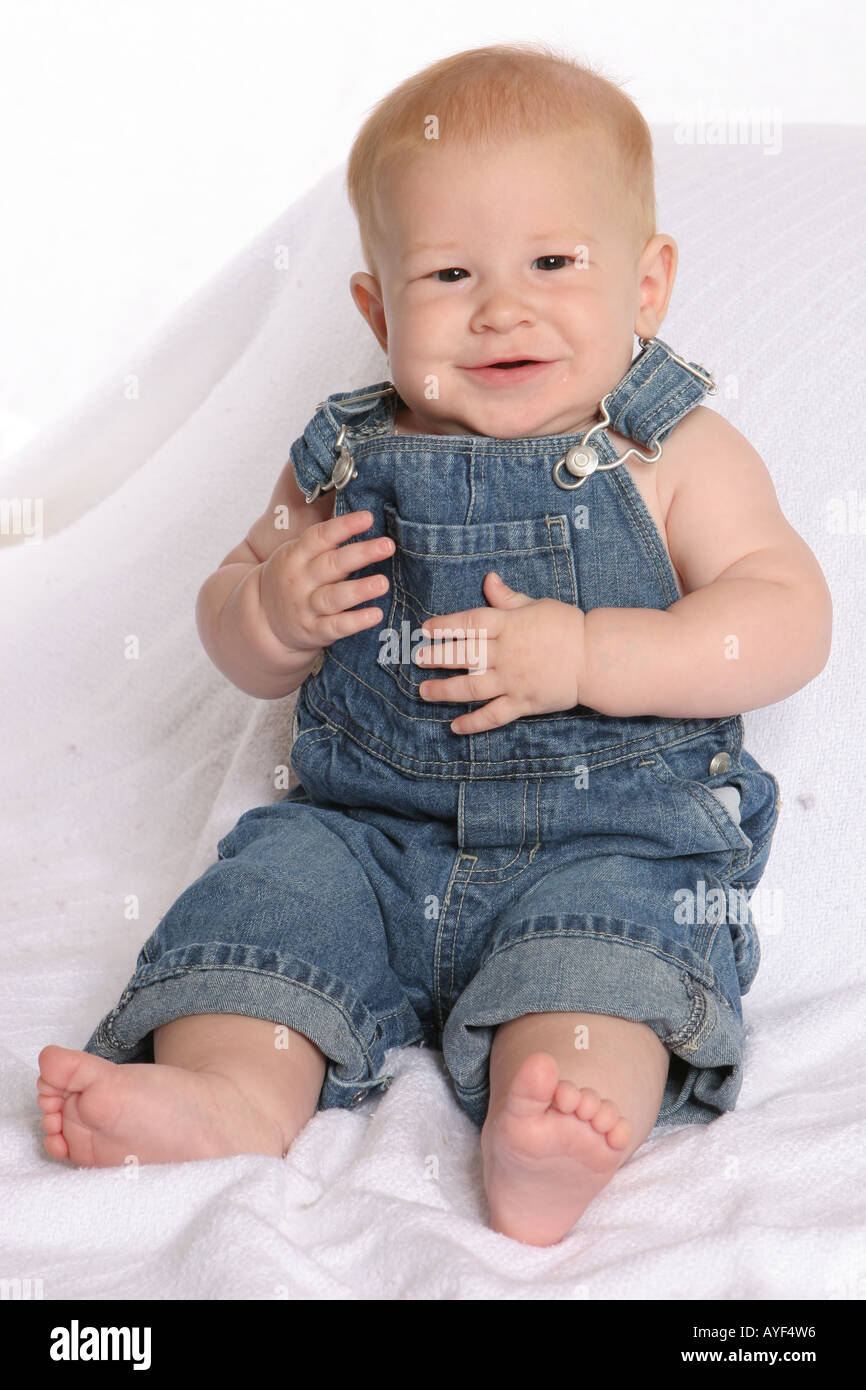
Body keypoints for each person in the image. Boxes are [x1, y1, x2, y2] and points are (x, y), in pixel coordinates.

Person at [37, 42, 831, 1248]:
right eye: (449, 272)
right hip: (364, 830)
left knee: (603, 967)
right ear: (376, 308)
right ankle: (230, 1091)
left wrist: (587, 655)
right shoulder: (347, 454)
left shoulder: (670, 453)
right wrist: (268, 610)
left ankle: (550, 1124)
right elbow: (231, 623)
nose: (501, 307)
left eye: (553, 264)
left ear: (647, 283)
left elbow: (785, 618)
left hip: (602, 838)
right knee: (265, 909)